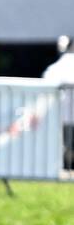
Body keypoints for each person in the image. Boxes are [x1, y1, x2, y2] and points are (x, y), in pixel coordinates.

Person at [43, 35, 74, 168]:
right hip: (65, 111)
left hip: (63, 112)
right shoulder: (61, 65)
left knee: (65, 142)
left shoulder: (58, 66)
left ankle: (66, 167)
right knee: (66, 142)